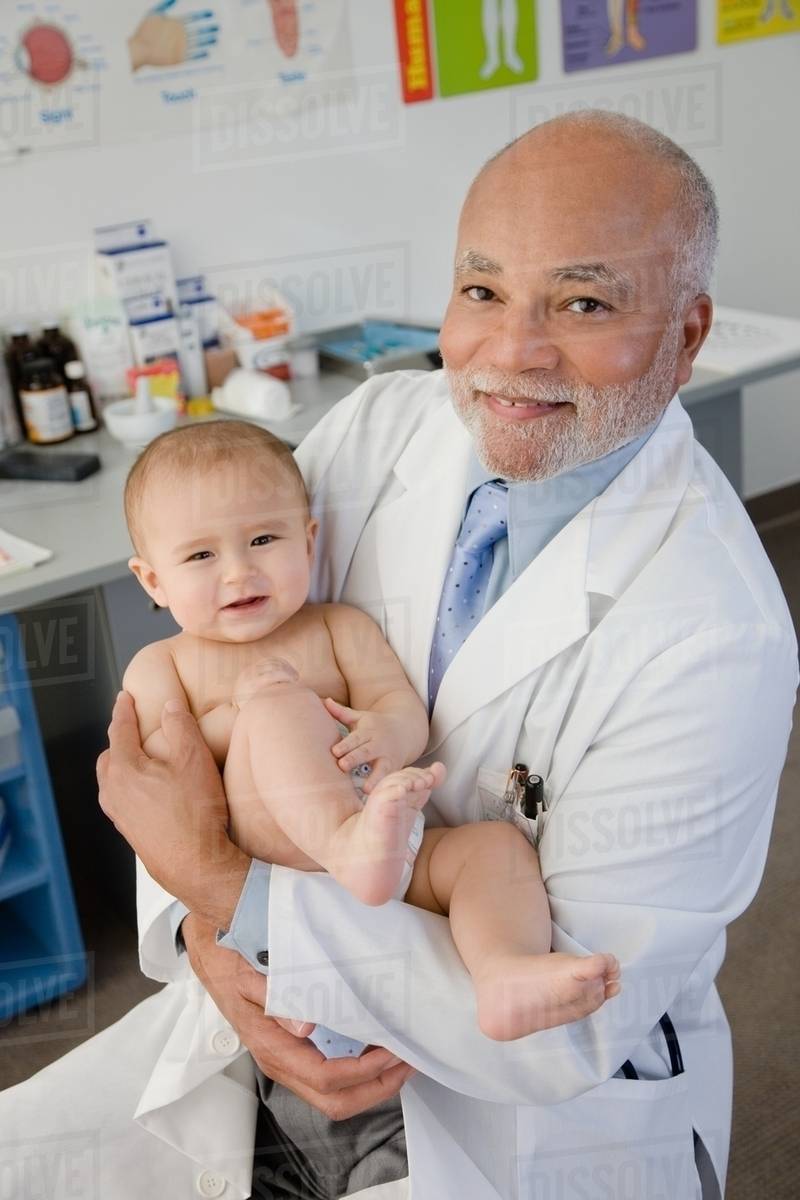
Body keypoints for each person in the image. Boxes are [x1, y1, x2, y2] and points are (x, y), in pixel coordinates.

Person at [1, 111, 796, 1200]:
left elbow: (568, 1031)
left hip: (512, 1127)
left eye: (583, 302)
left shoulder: (716, 636)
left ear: (687, 332)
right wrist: (207, 939)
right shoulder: (381, 428)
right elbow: (188, 716)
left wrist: (224, 887)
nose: (511, 351)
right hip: (259, 1025)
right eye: (481, 290)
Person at [122, 419, 620, 1039]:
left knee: (495, 850)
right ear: (152, 579)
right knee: (278, 703)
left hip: (392, 843)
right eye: (202, 555)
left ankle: (503, 972)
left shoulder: (338, 627)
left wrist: (387, 732)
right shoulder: (162, 666)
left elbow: (400, 707)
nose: (238, 572)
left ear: (308, 541)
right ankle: (342, 852)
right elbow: (168, 783)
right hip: (276, 871)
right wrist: (247, 709)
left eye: (263, 539)